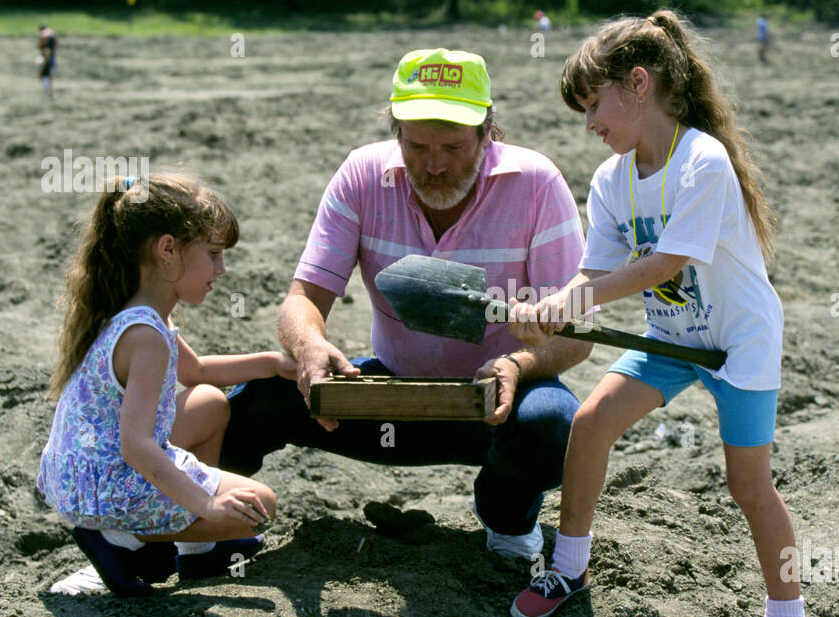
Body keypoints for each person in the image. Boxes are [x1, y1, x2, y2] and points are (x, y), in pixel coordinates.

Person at [506, 9, 809, 617]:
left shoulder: (702, 160)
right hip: (671, 337)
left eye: (594, 106)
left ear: (637, 84)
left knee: (748, 483)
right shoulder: (612, 180)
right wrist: (549, 310)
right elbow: (594, 272)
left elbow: (664, 263)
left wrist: (572, 301)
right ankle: (570, 568)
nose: (589, 124)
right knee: (590, 422)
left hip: (740, 342)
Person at [218, 48, 590, 560]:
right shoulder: (364, 175)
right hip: (388, 391)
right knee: (246, 403)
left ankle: (505, 517)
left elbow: (575, 334)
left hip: (495, 403)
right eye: (417, 145)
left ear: (487, 133)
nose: (434, 165)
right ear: (396, 132)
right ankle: (212, 526)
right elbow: (302, 299)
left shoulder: (537, 183)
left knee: (556, 426)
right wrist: (309, 346)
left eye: (452, 146)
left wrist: (518, 364)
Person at [37, 172, 296, 596]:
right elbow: (136, 446)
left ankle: (199, 550)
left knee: (210, 404)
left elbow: (195, 374)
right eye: (213, 254)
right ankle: (119, 541)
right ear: (168, 250)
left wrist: (271, 363)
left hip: (85, 471)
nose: (222, 269)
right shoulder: (146, 338)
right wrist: (205, 504)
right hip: (107, 484)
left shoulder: (135, 309)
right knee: (258, 506)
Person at [37, 24, 57, 96]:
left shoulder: (43, 34)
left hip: (46, 56)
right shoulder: (52, 33)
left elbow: (40, 45)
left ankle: (47, 91)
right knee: (49, 75)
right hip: (51, 56)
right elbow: (56, 44)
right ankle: (49, 90)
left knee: (43, 73)